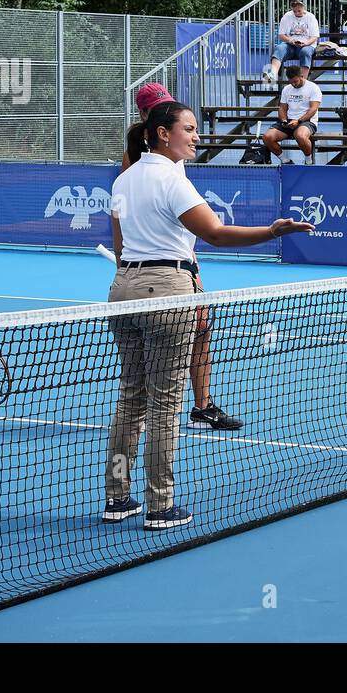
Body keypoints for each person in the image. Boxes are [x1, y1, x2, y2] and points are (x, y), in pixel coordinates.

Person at [104, 101, 312, 530]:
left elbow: (121, 246)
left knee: (130, 398)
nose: (197, 136)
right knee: (164, 404)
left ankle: (117, 496)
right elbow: (215, 233)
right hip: (167, 292)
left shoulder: (123, 179)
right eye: (189, 129)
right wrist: (273, 231)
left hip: (123, 289)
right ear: (163, 134)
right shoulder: (172, 180)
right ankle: (160, 506)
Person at [120, 82, 240, 432]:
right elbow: (130, 216)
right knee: (153, 344)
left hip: (182, 262)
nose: (192, 135)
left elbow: (181, 218)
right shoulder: (138, 160)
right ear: (147, 117)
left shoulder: (173, 159)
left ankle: (202, 405)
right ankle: (138, 409)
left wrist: (192, 265)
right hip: (153, 271)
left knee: (201, 326)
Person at [263, 66, 322, 164]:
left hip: (307, 121)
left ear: (302, 76)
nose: (293, 84)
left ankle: (308, 161)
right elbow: (282, 108)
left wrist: (299, 121)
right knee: (267, 137)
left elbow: (313, 109)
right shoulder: (287, 89)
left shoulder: (313, 88)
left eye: (295, 81)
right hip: (289, 121)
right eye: (291, 82)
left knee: (300, 136)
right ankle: (286, 161)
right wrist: (284, 121)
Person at [263, 0, 319, 83]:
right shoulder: (287, 16)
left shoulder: (311, 17)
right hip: (290, 44)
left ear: (303, 7)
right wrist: (290, 40)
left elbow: (314, 36)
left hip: (307, 45)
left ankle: (303, 81)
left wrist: (306, 43)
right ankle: (272, 75)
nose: (296, 13)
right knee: (279, 48)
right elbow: (281, 35)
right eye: (295, 11)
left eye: (299, 11)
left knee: (305, 52)